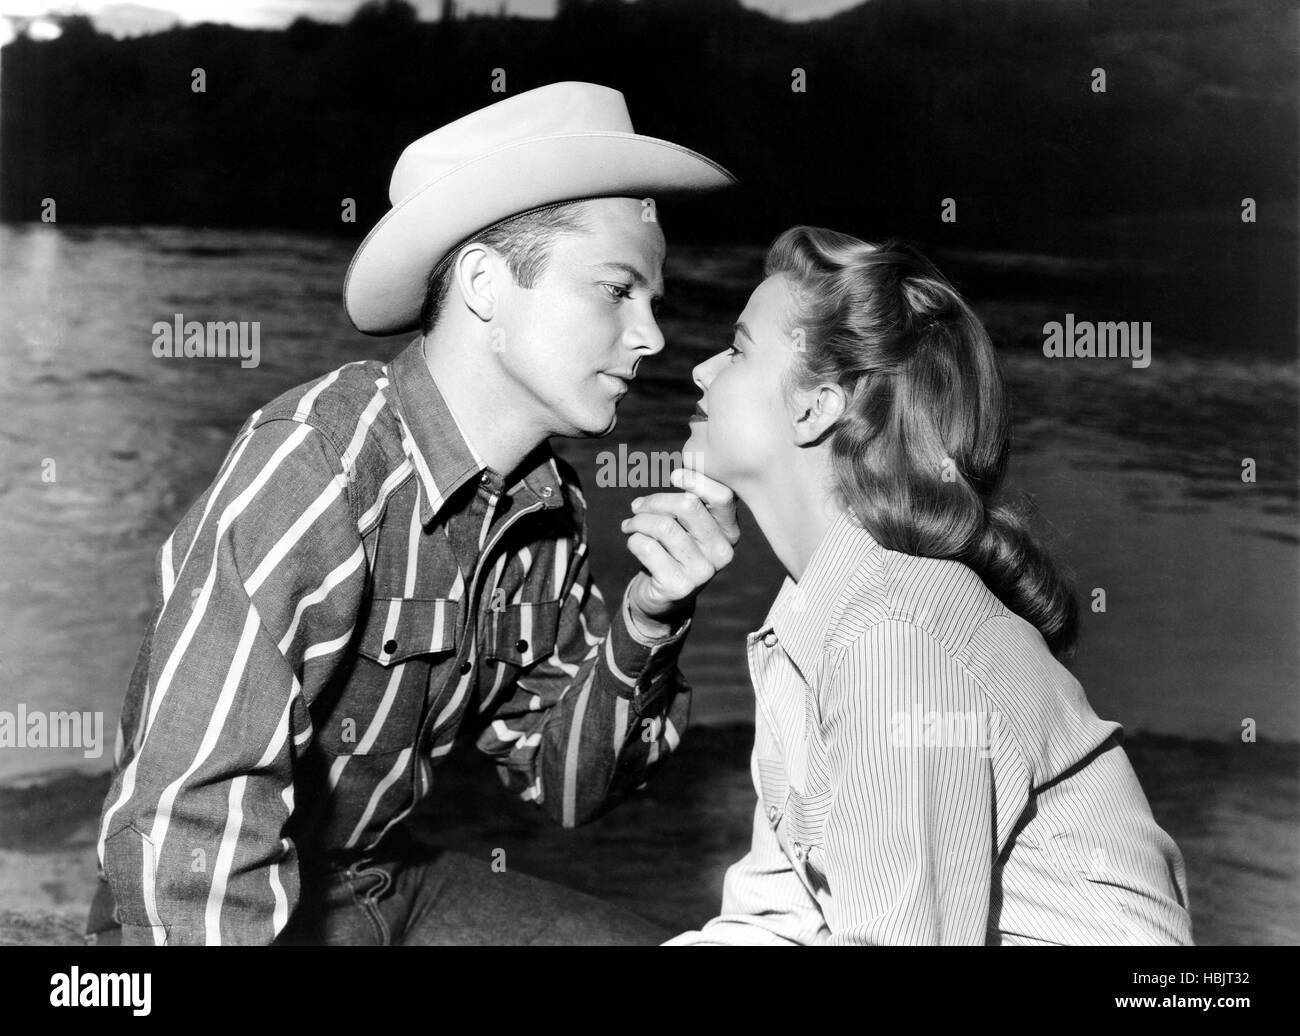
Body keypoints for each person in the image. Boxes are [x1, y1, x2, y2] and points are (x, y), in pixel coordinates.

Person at [88, 82, 740, 946]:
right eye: (618, 291)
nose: (654, 335)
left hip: (382, 881)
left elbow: (570, 788)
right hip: (224, 908)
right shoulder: (317, 462)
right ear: (483, 285)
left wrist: (649, 621)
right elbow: (189, 814)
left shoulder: (547, 504)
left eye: (651, 301)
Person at [663, 226, 1194, 945]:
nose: (700, 370)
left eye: (737, 347)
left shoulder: (894, 638)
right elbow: (775, 924)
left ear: (814, 408)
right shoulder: (813, 616)